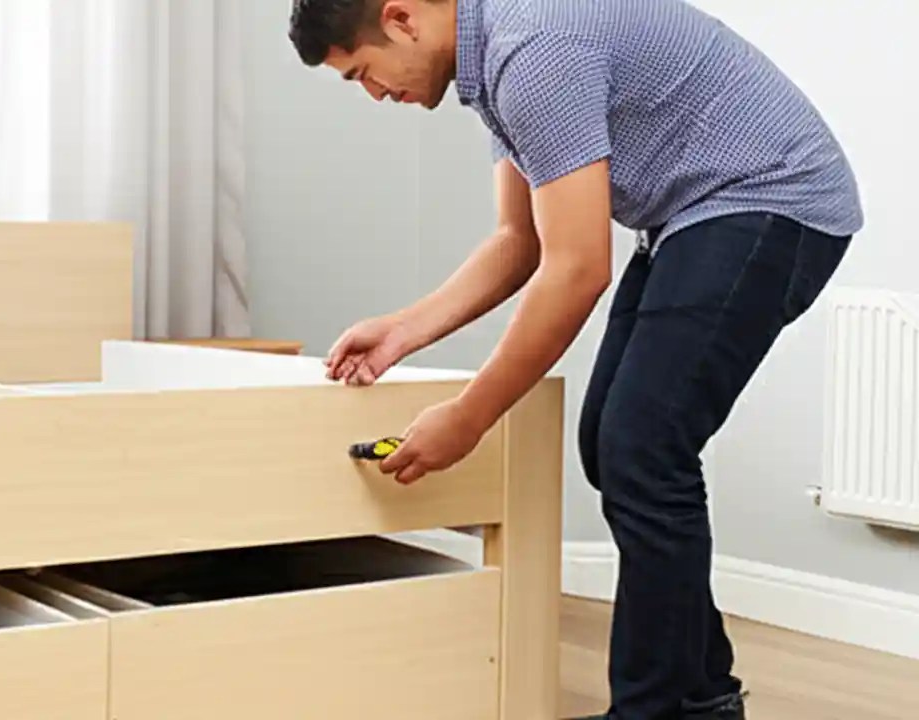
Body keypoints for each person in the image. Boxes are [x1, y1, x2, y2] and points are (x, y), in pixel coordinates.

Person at [288, 0, 862, 718]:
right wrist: (404, 331)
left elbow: (578, 268)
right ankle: (702, 697)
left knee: (643, 449)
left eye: (362, 74)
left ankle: (651, 710)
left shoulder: (534, 50)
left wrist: (471, 417)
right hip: (698, 213)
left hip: (771, 197)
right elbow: (518, 242)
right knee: (613, 446)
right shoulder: (494, 61)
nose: (375, 96)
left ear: (402, 19)